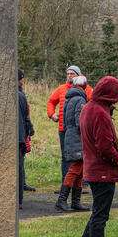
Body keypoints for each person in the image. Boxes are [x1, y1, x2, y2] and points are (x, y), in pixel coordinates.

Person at [77, 76, 118, 237]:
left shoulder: (89, 108)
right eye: (116, 97)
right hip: (102, 171)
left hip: (93, 168)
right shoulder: (99, 113)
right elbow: (104, 146)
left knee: (97, 212)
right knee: (100, 216)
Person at [46, 65, 81, 198]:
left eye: (72, 73)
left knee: (79, 158)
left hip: (78, 130)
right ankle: (65, 184)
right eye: (68, 73)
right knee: (65, 157)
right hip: (63, 129)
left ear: (78, 75)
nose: (69, 76)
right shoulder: (61, 89)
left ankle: (78, 185)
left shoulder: (86, 89)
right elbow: (50, 102)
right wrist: (52, 114)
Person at [57, 76, 89, 212]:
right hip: (77, 136)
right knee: (75, 169)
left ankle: (76, 202)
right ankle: (61, 200)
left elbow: (64, 120)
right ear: (84, 86)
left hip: (69, 135)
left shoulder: (68, 99)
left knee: (80, 169)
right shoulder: (80, 99)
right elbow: (79, 121)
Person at [18, 70, 35, 199]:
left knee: (22, 157)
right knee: (20, 158)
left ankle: (22, 182)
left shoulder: (21, 92)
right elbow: (25, 114)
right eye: (22, 78)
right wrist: (29, 127)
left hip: (23, 129)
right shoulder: (19, 94)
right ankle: (20, 183)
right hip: (21, 130)